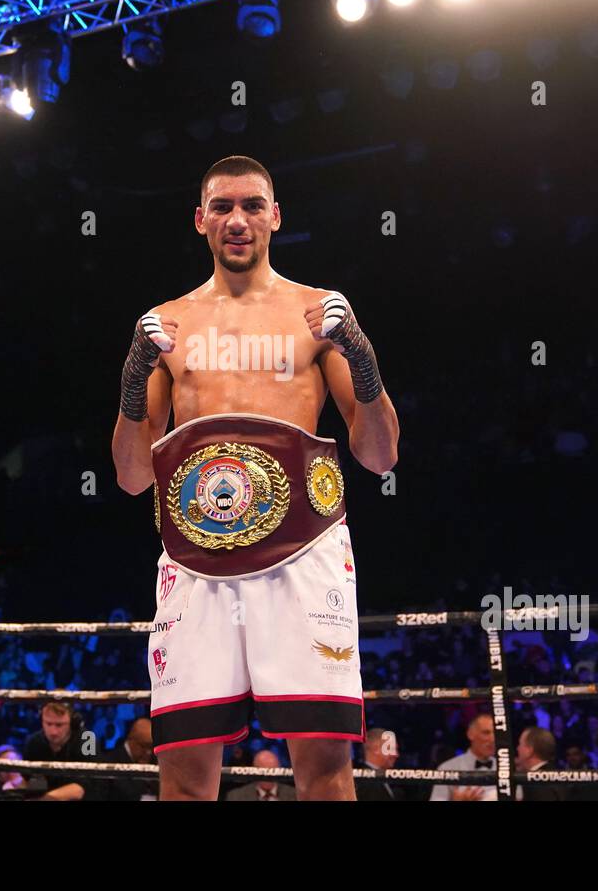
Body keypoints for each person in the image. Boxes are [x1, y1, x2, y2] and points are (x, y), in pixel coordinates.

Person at [112, 155, 400, 801]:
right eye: (222, 207)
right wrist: (135, 375)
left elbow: (381, 456)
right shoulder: (170, 325)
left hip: (303, 555)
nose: (237, 220)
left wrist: (360, 351)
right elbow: (132, 477)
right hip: (193, 561)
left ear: (275, 215)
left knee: (324, 770)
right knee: (183, 777)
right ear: (199, 220)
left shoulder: (315, 314)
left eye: (251, 205)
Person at [21, 702, 92, 800]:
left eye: (59, 725)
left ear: (72, 722)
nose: (53, 732)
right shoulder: (34, 742)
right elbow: (27, 780)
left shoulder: (87, 740)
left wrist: (44, 799)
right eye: (48, 724)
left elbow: (84, 787)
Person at [430, 713, 498, 801]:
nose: (493, 739)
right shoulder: (448, 768)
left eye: (496, 733)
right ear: (470, 734)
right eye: (486, 733)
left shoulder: (506, 767)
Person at [103, 718, 158, 801]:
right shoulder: (112, 761)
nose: (148, 752)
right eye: (144, 746)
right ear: (131, 740)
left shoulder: (153, 760)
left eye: (151, 747)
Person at [516, 726, 567, 801]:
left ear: (529, 751)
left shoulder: (535, 784)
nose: (518, 748)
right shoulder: (558, 774)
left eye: (520, 744)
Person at [225, 748, 296, 801]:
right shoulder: (236, 797)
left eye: (273, 771)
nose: (269, 776)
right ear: (254, 770)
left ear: (279, 769)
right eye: (263, 771)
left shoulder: (295, 795)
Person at [356, 728, 407, 801]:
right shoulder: (366, 782)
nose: (396, 755)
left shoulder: (379, 779)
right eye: (392, 749)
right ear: (376, 749)